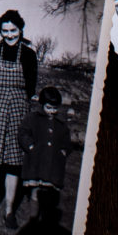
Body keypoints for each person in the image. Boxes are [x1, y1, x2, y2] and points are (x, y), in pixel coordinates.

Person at [0, 10, 38, 226]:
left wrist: (21, 105)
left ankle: (10, 210)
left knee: (13, 162)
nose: (10, 35)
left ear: (20, 29)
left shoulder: (29, 55)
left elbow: (31, 87)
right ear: (0, 31)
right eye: (5, 31)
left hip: (18, 109)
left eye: (13, 30)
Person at [17, 86, 71, 225]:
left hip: (53, 164)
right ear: (41, 104)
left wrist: (64, 151)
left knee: (49, 193)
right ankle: (33, 219)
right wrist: (30, 146)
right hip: (36, 161)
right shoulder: (32, 118)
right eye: (49, 108)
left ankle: (45, 221)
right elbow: (23, 133)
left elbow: (66, 141)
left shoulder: (61, 124)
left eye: (55, 108)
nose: (52, 111)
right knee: (35, 191)